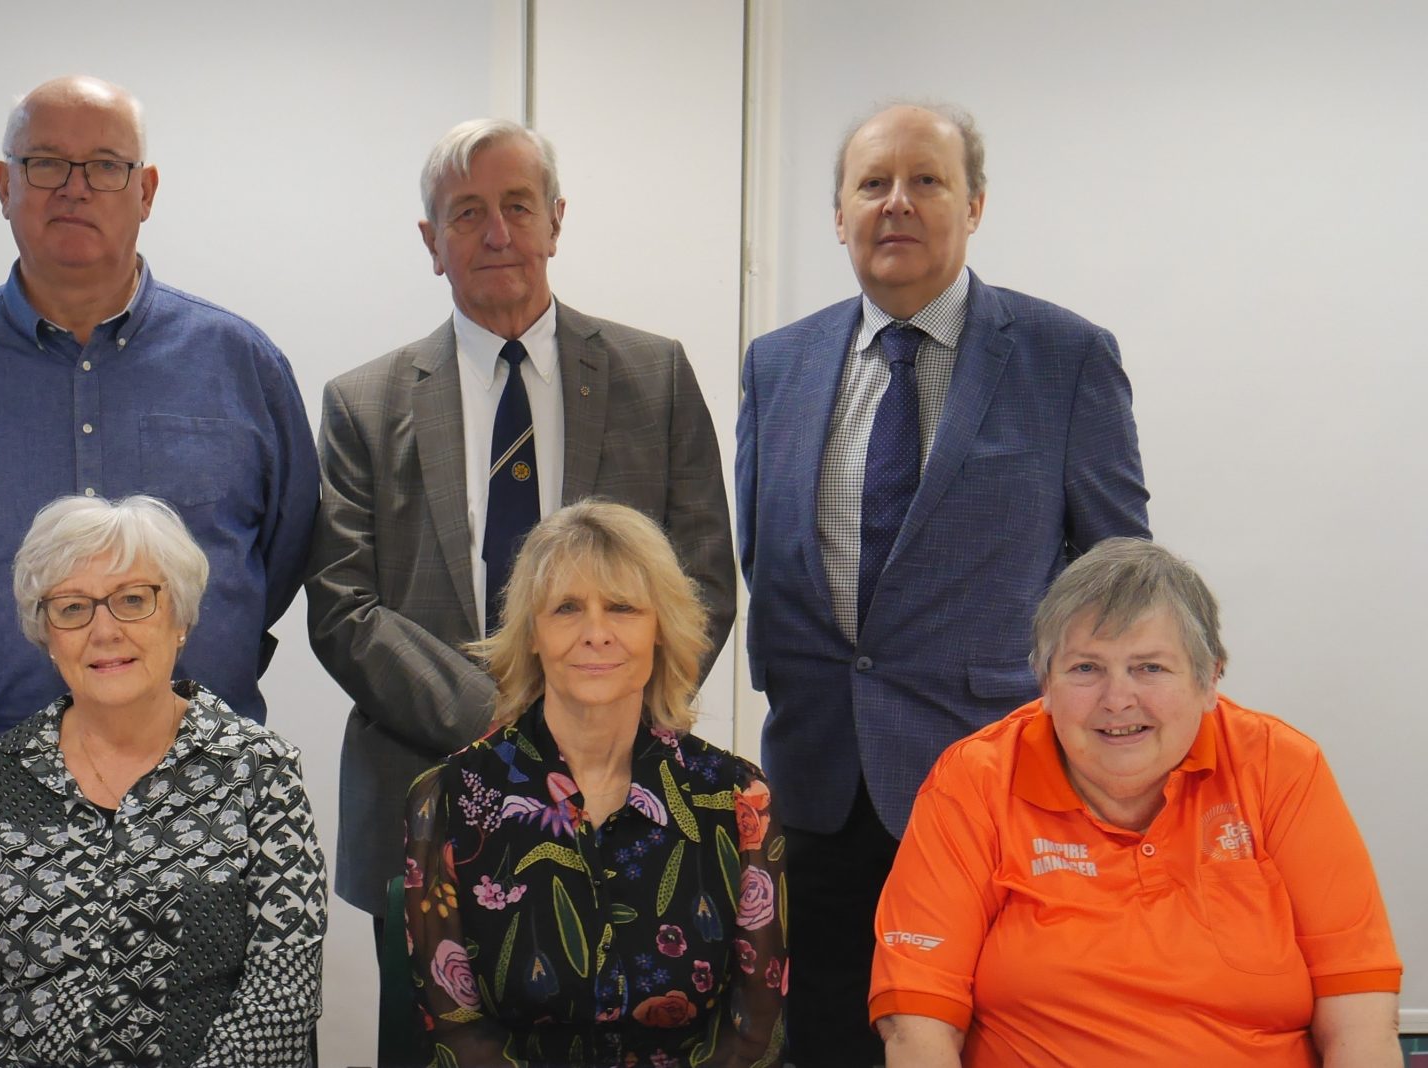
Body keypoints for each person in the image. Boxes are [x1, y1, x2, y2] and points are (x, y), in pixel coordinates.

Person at [732, 100, 1150, 1063]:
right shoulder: (778, 364)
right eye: (872, 184)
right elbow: (766, 557)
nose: (898, 203)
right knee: (828, 1040)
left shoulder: (1064, 357)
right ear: (838, 214)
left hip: (999, 789)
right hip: (821, 787)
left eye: (927, 181)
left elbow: (1116, 583)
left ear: (976, 204)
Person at [0, 74, 317, 872]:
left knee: (203, 1002)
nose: (75, 188)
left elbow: (280, 553)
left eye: (105, 165)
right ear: (3, 185)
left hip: (203, 796)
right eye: (45, 164)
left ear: (147, 191)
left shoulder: (240, 364)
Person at [309, 118, 735, 932]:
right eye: (467, 213)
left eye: (517, 205)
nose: (497, 232)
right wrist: (514, 725)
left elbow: (704, 582)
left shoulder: (657, 376)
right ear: (432, 240)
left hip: (626, 793)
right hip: (423, 795)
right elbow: (343, 610)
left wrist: (599, 721)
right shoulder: (363, 404)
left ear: (556, 221)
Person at [871, 538, 1402, 1065]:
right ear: (1045, 683)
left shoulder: (1279, 767)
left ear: (1208, 677)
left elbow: (1360, 1014)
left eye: (1149, 667)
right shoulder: (973, 780)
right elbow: (919, 1026)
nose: (1118, 699)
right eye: (1085, 668)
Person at [0, 494, 325, 1067]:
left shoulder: (260, 772)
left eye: (133, 600)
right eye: (73, 608)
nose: (104, 630)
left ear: (179, 618)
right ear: (46, 634)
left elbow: (281, 999)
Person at [402, 500, 781, 1067]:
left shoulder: (736, 799)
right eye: (567, 609)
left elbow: (754, 1033)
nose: (596, 633)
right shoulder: (449, 799)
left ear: (660, 630)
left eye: (624, 608)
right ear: (532, 633)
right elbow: (456, 1033)